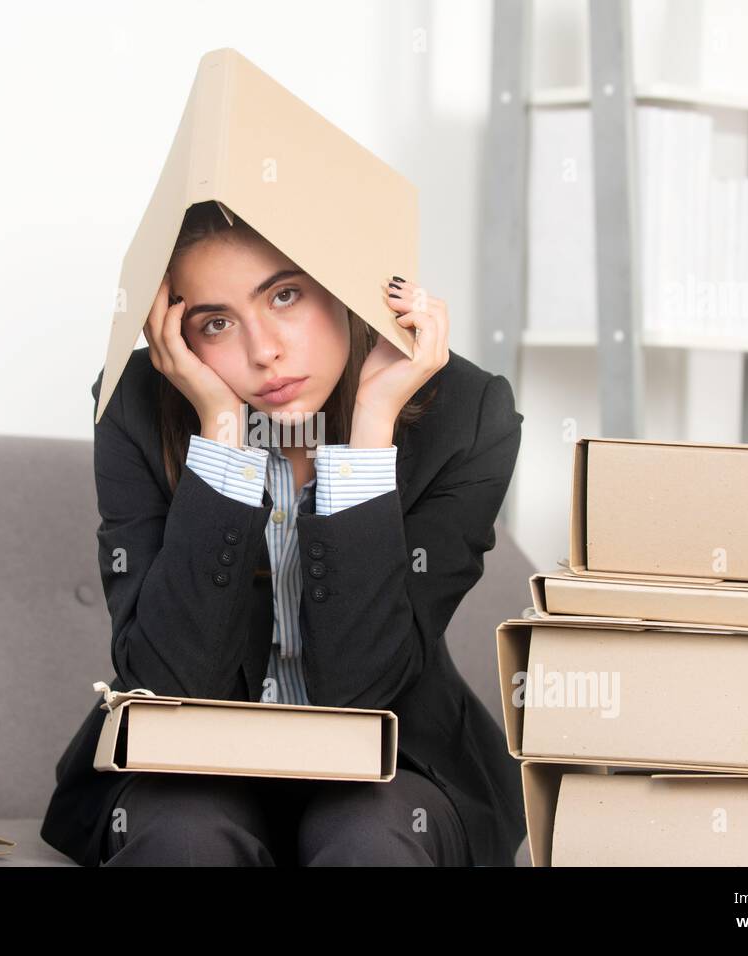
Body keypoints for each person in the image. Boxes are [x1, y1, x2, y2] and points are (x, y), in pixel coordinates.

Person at [40, 200, 526, 866]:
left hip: (394, 763)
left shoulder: (466, 414)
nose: (263, 351)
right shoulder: (134, 403)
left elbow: (364, 688)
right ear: (172, 334)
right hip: (187, 764)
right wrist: (220, 433)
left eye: (286, 295)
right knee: (183, 839)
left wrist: (370, 432)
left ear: (345, 283)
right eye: (215, 322)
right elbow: (167, 679)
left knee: (372, 842)